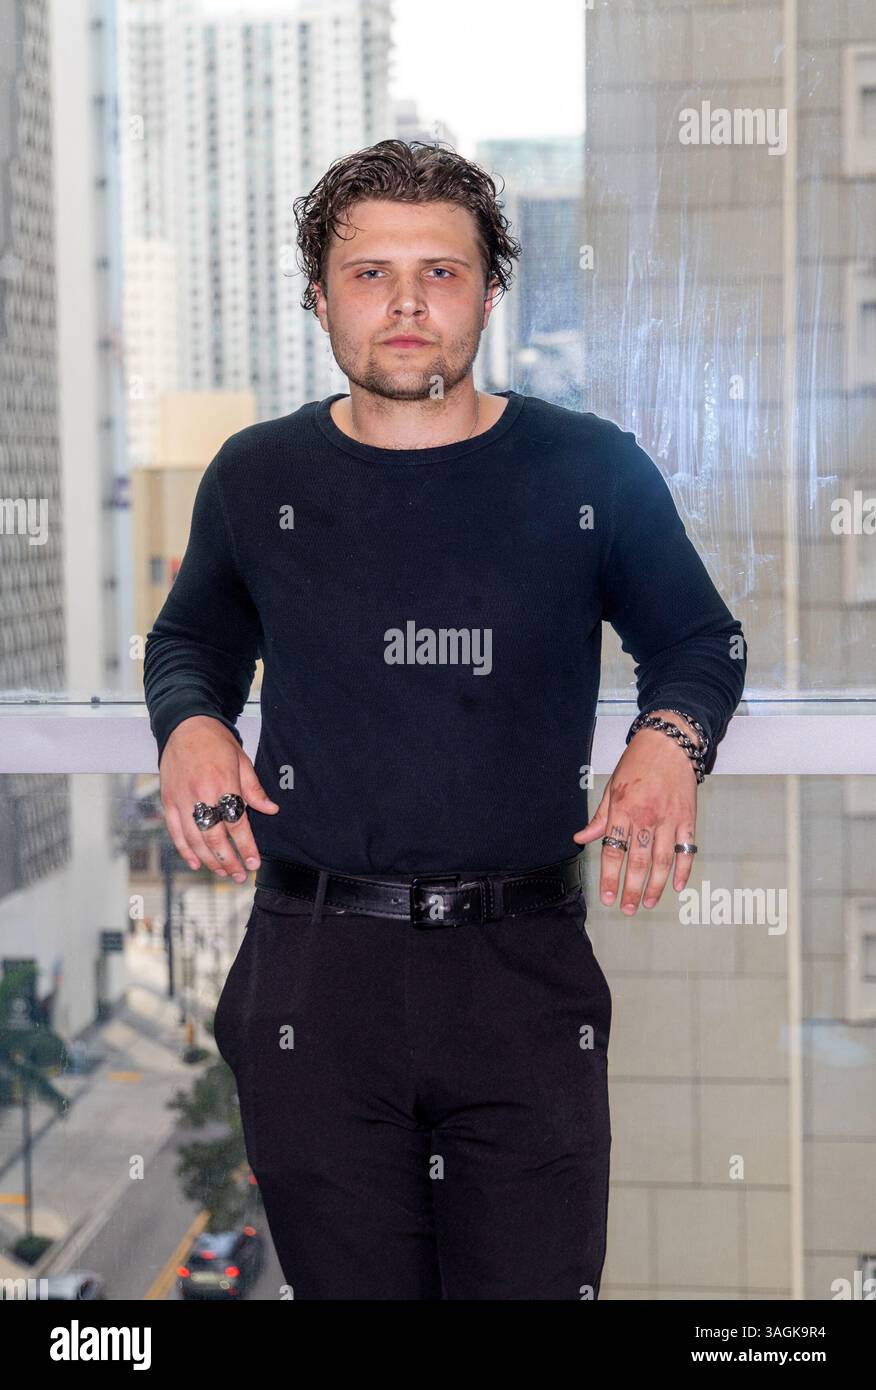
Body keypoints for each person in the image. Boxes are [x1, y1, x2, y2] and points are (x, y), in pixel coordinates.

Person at [143, 139, 747, 1301]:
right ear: (319, 296)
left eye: (442, 272)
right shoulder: (255, 475)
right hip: (314, 980)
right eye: (371, 274)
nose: (407, 304)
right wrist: (191, 720)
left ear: (489, 290)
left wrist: (668, 746)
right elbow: (190, 642)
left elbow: (698, 640)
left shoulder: (591, 468)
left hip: (522, 979)